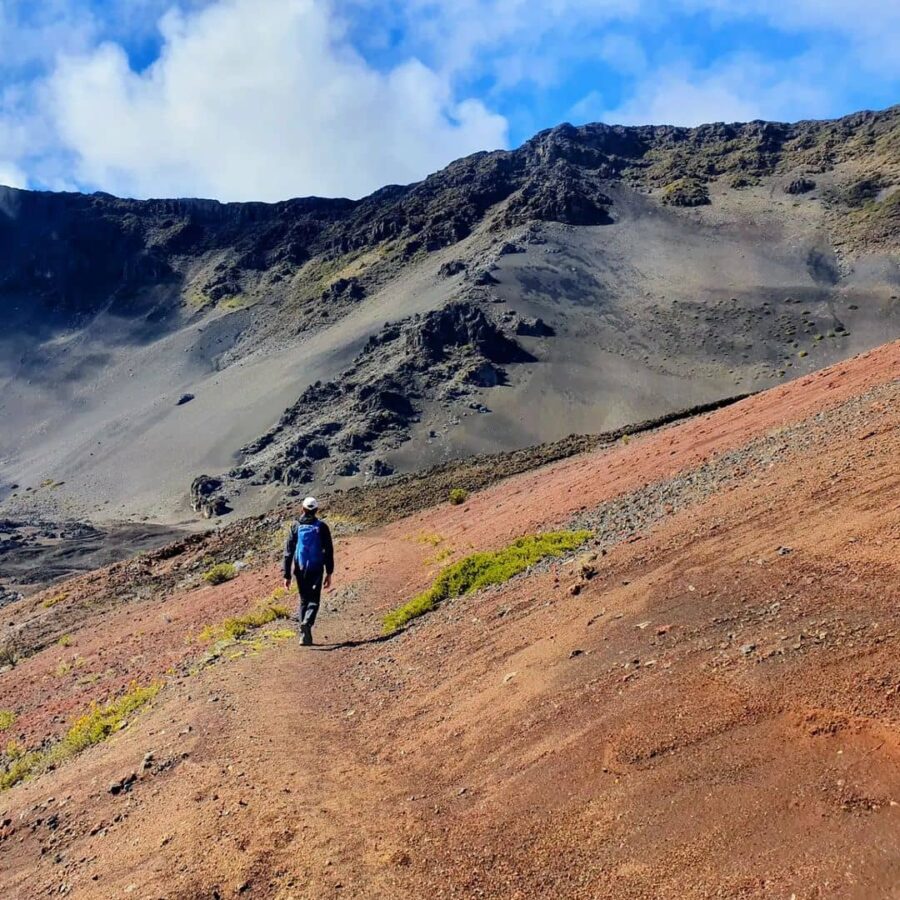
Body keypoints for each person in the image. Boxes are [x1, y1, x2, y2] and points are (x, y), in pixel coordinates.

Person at [282, 496, 334, 645]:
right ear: (316, 510)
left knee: (304, 600)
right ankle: (307, 623)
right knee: (314, 600)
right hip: (316, 568)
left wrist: (287, 575)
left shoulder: (295, 526)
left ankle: (304, 635)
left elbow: (288, 552)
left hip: (300, 568)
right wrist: (329, 572)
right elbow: (328, 550)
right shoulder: (322, 526)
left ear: (302, 509)